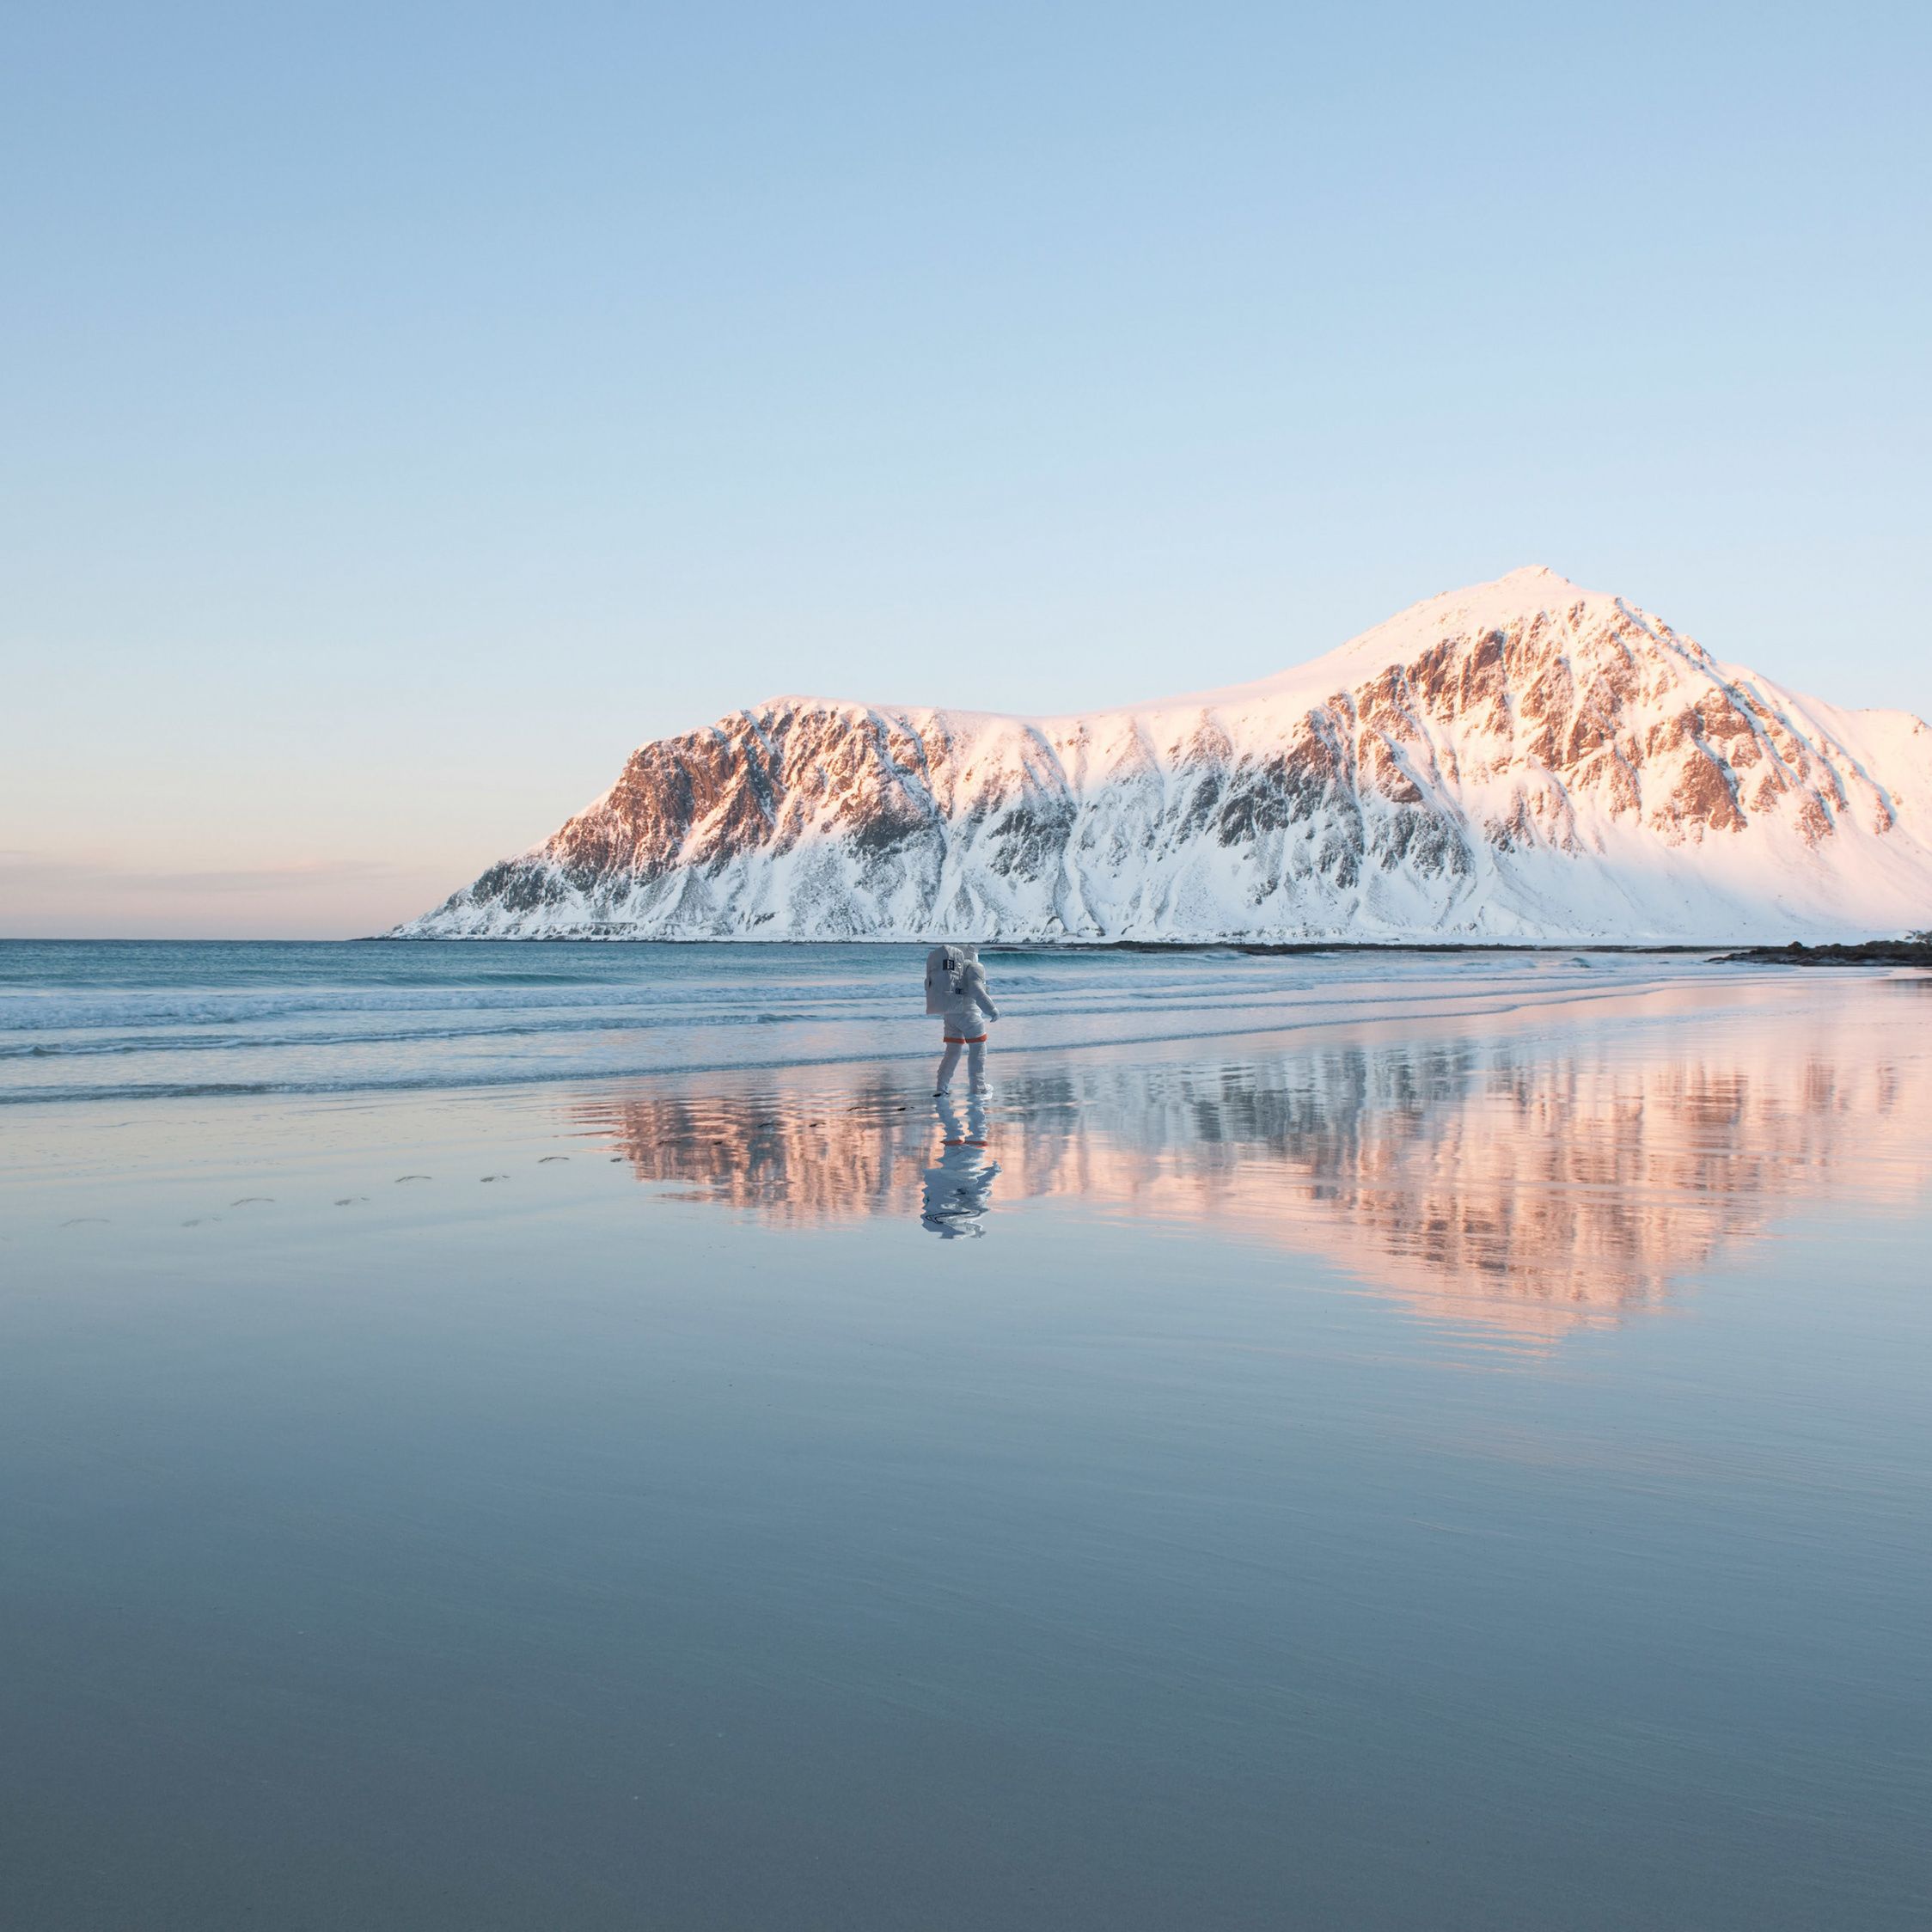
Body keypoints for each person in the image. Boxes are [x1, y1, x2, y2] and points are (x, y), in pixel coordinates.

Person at [925, 943, 1000, 1094]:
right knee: (978, 1050)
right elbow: (977, 990)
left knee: (952, 1052)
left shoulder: (950, 970)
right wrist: (992, 1009)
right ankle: (978, 1086)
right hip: (969, 1016)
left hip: (950, 1015)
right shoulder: (974, 967)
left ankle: (941, 1088)